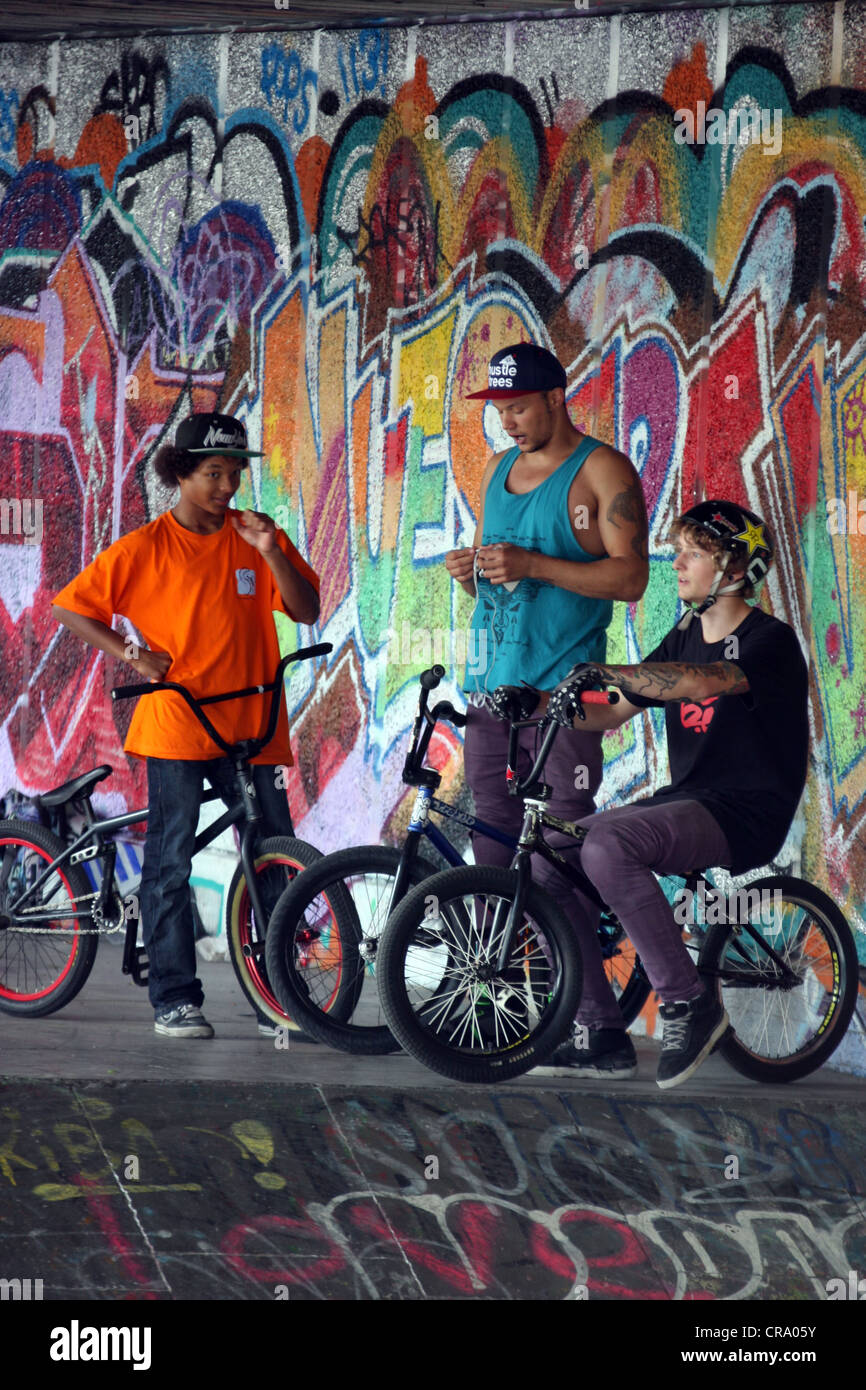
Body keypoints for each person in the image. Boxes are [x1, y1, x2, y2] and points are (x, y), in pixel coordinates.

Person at [491, 499, 808, 1089]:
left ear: (735, 569)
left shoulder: (768, 642)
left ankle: (690, 1003)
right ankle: (599, 1030)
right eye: (678, 551)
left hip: (744, 809)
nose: (677, 563)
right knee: (548, 858)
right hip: (687, 797)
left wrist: (605, 669)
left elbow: (700, 683)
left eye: (693, 553)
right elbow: (611, 714)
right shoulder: (684, 634)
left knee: (608, 845)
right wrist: (536, 708)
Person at [52, 412, 320, 1038]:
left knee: (274, 857)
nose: (227, 487)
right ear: (181, 474)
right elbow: (71, 606)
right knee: (170, 861)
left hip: (252, 724)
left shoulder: (253, 537)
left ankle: (281, 994)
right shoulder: (147, 547)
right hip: (178, 722)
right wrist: (130, 653)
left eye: (234, 473)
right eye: (212, 474)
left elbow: (305, 609)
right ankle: (174, 997)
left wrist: (273, 549)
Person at [444, 342, 649, 925]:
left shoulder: (602, 469)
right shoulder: (495, 469)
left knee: (558, 848)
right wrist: (471, 574)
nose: (506, 421)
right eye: (499, 409)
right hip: (490, 688)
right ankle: (505, 985)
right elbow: (496, 584)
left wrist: (535, 565)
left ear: (556, 398)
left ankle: (587, 1009)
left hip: (565, 694)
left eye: (519, 407)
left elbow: (632, 577)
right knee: (492, 838)